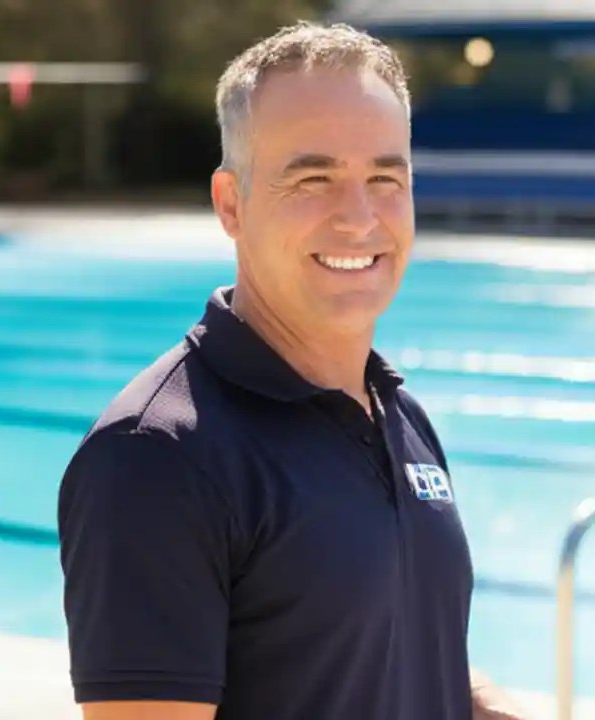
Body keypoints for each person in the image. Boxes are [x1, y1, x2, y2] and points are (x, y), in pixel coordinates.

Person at [57, 21, 527, 720]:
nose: (359, 218)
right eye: (314, 179)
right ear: (231, 204)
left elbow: (389, 661)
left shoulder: (398, 415)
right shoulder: (157, 456)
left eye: (384, 179)